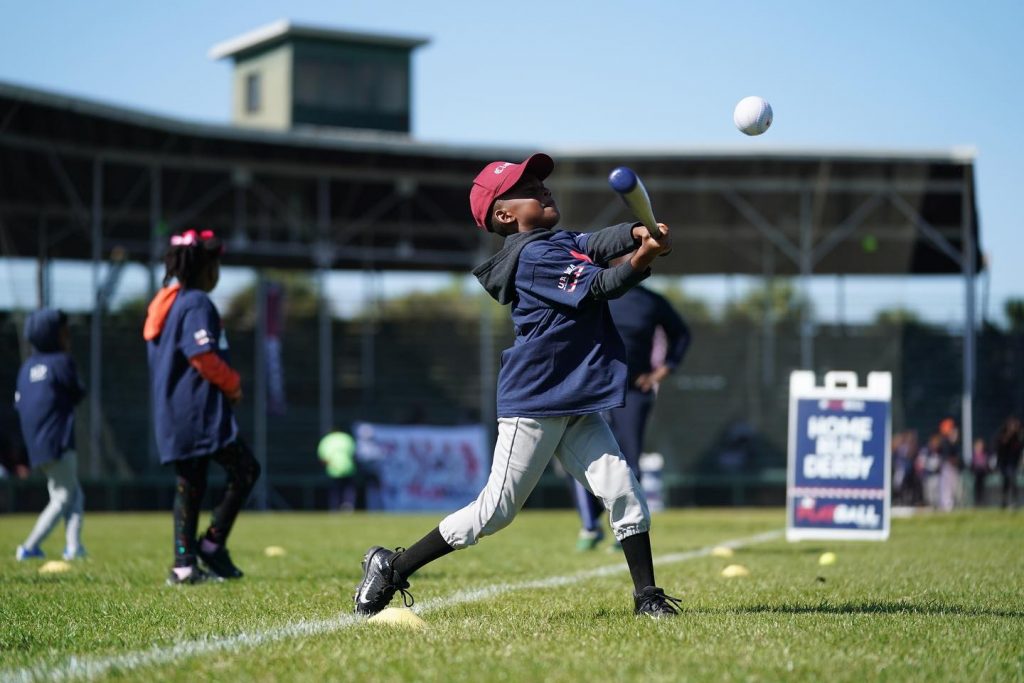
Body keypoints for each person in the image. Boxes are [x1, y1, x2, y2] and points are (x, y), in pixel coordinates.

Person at [353, 153, 681, 618]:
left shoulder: (560, 241)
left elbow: (597, 242)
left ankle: (647, 597)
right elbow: (598, 286)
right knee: (494, 513)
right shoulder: (533, 256)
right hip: (537, 402)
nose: (544, 189)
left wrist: (635, 233)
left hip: (576, 399)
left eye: (540, 182)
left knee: (623, 488)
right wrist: (644, 256)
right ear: (505, 215)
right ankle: (392, 565)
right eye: (529, 188)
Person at [144, 229, 261, 585]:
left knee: (190, 483)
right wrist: (233, 384)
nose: (218, 273)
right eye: (216, 265)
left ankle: (184, 565)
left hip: (174, 411)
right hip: (196, 411)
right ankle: (211, 546)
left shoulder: (168, 302)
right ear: (204, 267)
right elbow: (202, 356)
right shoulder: (195, 302)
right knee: (245, 470)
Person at [572, 281, 689, 550]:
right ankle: (590, 526)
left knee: (628, 460)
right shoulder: (594, 292)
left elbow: (681, 334)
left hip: (634, 390)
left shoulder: (651, 301)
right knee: (581, 456)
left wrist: (663, 371)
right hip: (593, 387)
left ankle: (625, 529)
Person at [13, 309, 87, 561]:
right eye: (64, 331)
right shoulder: (61, 361)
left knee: (73, 493)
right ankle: (29, 547)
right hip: (59, 442)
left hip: (36, 445)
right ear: (53, 335)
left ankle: (74, 548)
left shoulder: (26, 368)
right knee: (64, 496)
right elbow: (78, 392)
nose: (68, 336)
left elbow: (21, 406)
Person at [318, 429, 356, 511]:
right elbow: (354, 454)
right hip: (348, 468)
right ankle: (348, 506)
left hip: (333, 470)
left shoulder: (327, 439)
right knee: (348, 489)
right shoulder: (347, 438)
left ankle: (335, 507)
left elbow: (323, 458)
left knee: (335, 491)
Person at [994, 415, 1022, 509]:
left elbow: (1019, 449)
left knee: (1012, 480)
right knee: (1006, 482)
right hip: (1004, 462)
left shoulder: (1018, 437)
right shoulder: (1003, 435)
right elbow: (1001, 445)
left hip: (1013, 463)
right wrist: (1010, 433)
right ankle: (1004, 502)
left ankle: (1014, 501)